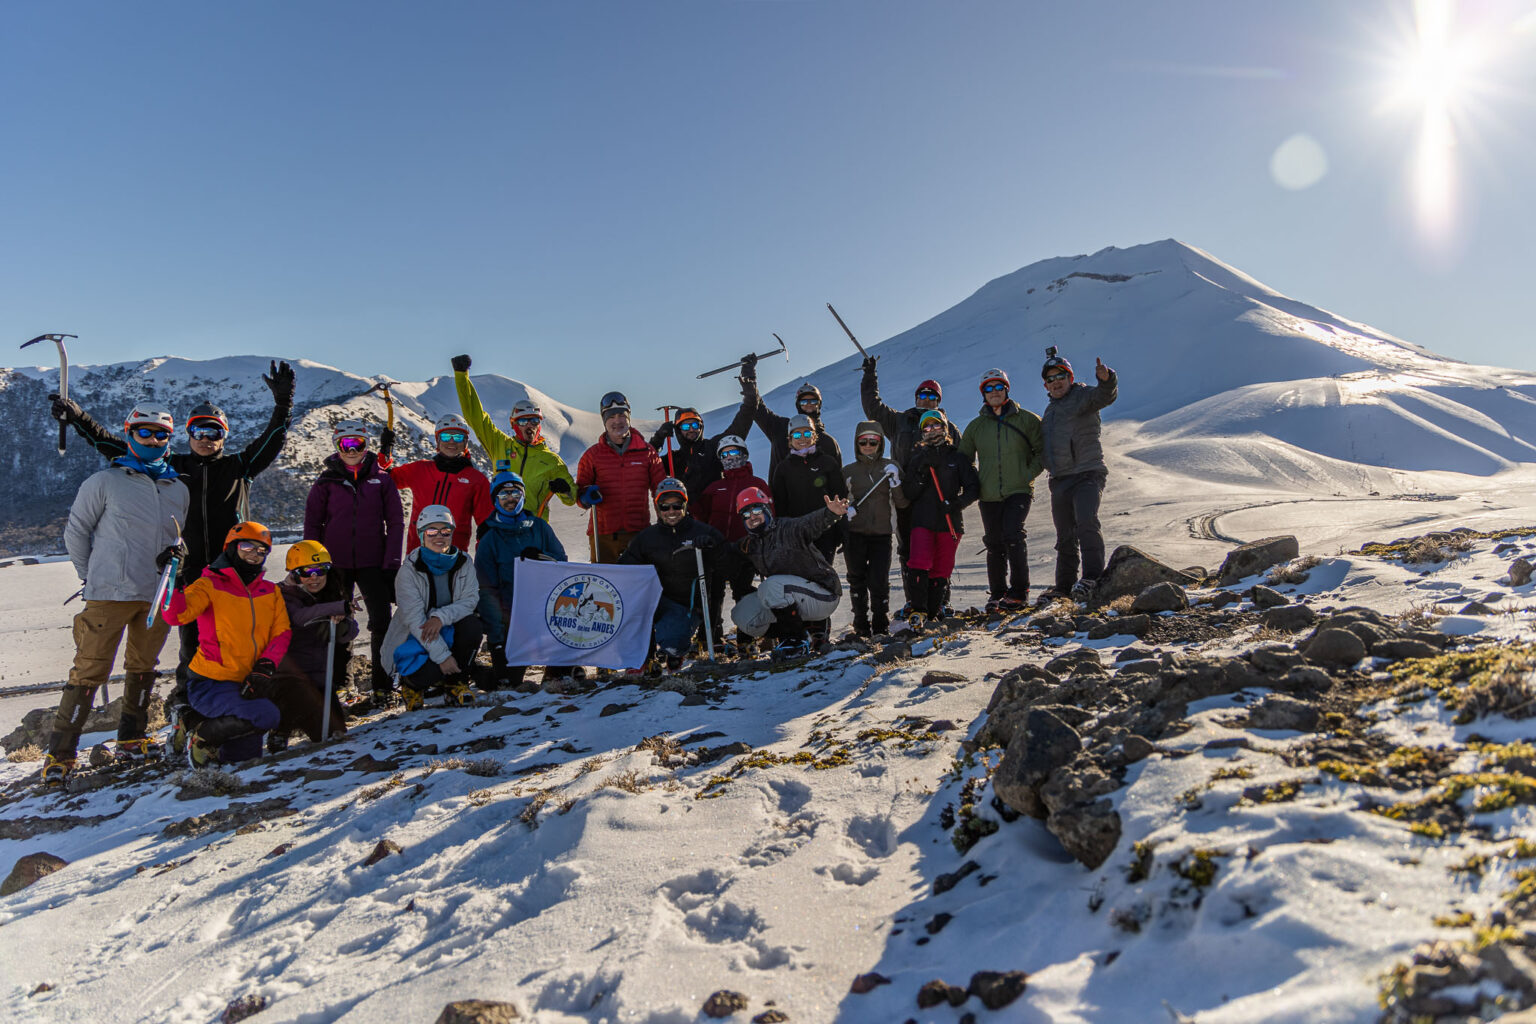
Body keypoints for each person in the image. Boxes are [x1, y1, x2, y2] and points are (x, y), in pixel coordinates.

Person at [51, 362, 295, 736]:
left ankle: (237, 703)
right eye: (199, 429)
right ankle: (186, 709)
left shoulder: (239, 466)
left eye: (214, 431)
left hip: (229, 573)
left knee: (232, 642)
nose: (206, 437)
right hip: (182, 572)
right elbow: (116, 446)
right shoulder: (173, 468)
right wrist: (79, 417)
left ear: (224, 436)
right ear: (188, 432)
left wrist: (283, 403)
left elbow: (273, 439)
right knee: (191, 645)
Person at [41, 405, 191, 788]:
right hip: (109, 593)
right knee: (89, 669)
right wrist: (90, 578)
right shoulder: (105, 481)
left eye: (161, 435)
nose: (154, 440)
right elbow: (76, 532)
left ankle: (132, 738)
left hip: (156, 592)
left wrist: (177, 554)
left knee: (144, 665)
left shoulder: (178, 488)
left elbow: (177, 537)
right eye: (145, 433)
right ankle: (60, 755)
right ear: (129, 434)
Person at [162, 522, 292, 767]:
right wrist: (174, 580)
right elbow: (176, 616)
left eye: (261, 550)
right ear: (232, 548)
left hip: (250, 682)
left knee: (243, 763)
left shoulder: (270, 591)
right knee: (268, 716)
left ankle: (189, 722)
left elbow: (281, 632)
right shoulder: (209, 584)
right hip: (211, 682)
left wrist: (265, 666)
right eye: (247, 547)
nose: (254, 554)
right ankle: (201, 734)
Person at [303, 421, 404, 705]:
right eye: (345, 444)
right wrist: (314, 563)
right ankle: (342, 685)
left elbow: (395, 522)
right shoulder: (325, 482)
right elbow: (312, 524)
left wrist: (392, 561)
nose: (351, 449)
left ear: (366, 445)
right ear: (337, 446)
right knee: (338, 621)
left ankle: (383, 684)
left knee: (381, 622)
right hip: (335, 565)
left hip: (375, 562)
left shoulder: (382, 480)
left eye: (357, 444)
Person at [858, 359, 961, 601]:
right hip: (904, 495)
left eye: (932, 396)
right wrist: (869, 376)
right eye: (922, 394)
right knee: (908, 550)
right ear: (916, 398)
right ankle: (915, 603)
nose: (926, 399)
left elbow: (962, 460)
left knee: (939, 548)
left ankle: (939, 602)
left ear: (939, 401)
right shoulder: (899, 421)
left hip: (936, 497)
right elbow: (873, 408)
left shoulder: (950, 429)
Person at [381, 505, 485, 710]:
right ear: (421, 534)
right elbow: (415, 621)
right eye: (431, 531)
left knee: (473, 625)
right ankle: (411, 686)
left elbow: (470, 601)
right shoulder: (408, 571)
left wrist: (440, 618)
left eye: (445, 531)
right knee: (430, 672)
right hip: (415, 636)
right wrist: (444, 657)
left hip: (447, 628)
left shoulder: (463, 562)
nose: (439, 536)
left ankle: (455, 683)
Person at [451, 353, 576, 521]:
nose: (529, 425)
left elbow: (571, 499)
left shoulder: (552, 461)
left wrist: (565, 490)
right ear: (513, 424)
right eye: (523, 421)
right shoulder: (500, 445)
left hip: (534, 531)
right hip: (501, 528)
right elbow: (475, 416)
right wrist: (461, 376)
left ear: (540, 424)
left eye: (533, 420)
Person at [959, 368, 1044, 612]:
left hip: (1018, 489)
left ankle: (1019, 592)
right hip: (988, 494)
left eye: (998, 387)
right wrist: (975, 482)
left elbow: (1041, 451)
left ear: (1007, 388)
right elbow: (964, 459)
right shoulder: (976, 427)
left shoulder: (1027, 419)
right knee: (994, 542)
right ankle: (997, 594)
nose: (994, 392)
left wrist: (1027, 474)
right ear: (983, 393)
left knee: (1013, 535)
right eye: (988, 388)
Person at [619, 478, 724, 669]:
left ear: (685, 505)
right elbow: (626, 567)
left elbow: (727, 560)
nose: (671, 512)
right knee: (631, 611)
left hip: (687, 605)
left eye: (677, 506)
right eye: (665, 507)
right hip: (656, 601)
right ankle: (643, 658)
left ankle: (675, 649)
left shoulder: (703, 532)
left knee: (672, 639)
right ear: (658, 508)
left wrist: (711, 547)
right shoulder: (647, 537)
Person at [475, 471, 567, 690]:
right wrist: (496, 640)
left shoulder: (540, 528)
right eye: (504, 494)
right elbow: (486, 590)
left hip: (544, 613)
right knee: (506, 683)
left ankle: (558, 668)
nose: (510, 498)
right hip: (511, 622)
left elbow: (562, 565)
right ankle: (477, 672)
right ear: (495, 499)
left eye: (515, 492)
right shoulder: (490, 540)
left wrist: (543, 561)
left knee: (563, 676)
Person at [730, 487, 849, 655]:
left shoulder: (788, 529)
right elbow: (725, 555)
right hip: (791, 596)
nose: (752, 517)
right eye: (746, 515)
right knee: (742, 615)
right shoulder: (750, 544)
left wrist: (831, 513)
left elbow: (810, 524)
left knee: (770, 586)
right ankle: (803, 631)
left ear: (767, 510)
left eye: (756, 510)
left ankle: (796, 640)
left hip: (823, 593)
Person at [1040, 347, 1118, 601]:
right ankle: (1064, 588)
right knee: (1065, 536)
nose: (1056, 382)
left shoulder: (1082, 396)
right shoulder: (1050, 412)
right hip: (1060, 479)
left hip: (1087, 473)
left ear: (1070, 378)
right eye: (1050, 379)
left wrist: (1107, 380)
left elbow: (1103, 396)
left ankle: (1093, 579)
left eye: (1060, 376)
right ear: (1046, 385)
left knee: (1086, 523)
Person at [271, 540, 355, 748]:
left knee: (334, 732)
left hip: (319, 680)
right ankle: (280, 730)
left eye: (321, 570)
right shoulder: (282, 595)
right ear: (294, 573)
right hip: (286, 679)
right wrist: (335, 607)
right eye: (307, 572)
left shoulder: (330, 594)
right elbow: (300, 617)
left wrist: (342, 620)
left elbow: (350, 633)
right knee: (291, 698)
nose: (314, 577)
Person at [901, 410, 979, 631]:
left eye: (936, 426)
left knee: (942, 569)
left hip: (949, 522)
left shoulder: (957, 458)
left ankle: (933, 614)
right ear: (921, 432)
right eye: (927, 427)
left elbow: (973, 488)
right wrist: (921, 475)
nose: (932, 431)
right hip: (922, 521)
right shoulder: (917, 459)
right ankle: (918, 610)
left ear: (945, 429)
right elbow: (909, 493)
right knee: (919, 562)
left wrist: (956, 503)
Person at [696, 435, 769, 656]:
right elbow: (701, 516)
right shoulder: (715, 487)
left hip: (746, 549)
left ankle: (746, 638)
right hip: (717, 550)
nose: (731, 458)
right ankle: (712, 639)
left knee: (744, 593)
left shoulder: (757, 484)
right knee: (713, 594)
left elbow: (769, 515)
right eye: (725, 455)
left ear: (744, 455)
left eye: (735, 453)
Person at [574, 391, 667, 563]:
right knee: (605, 585)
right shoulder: (592, 455)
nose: (617, 421)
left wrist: (665, 520)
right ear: (604, 421)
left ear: (629, 418)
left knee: (638, 584)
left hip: (639, 532)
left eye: (621, 416)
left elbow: (660, 490)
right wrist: (586, 497)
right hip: (603, 535)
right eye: (611, 417)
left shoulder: (646, 453)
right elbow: (579, 494)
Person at [386, 412, 493, 553]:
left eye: (458, 437)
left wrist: (484, 556)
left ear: (466, 442)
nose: (452, 442)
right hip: (417, 553)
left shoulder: (476, 480)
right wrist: (384, 453)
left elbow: (487, 523)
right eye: (446, 436)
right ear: (437, 440)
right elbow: (386, 480)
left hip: (454, 558)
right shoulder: (420, 469)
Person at [842, 421, 908, 638]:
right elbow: (838, 501)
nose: (868, 445)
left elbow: (902, 503)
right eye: (863, 441)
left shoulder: (890, 467)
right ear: (857, 443)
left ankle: (880, 621)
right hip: (855, 534)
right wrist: (846, 510)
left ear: (880, 443)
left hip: (881, 534)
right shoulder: (848, 472)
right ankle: (860, 621)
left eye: (873, 441)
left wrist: (896, 482)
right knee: (856, 578)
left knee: (879, 579)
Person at [740, 353, 842, 479]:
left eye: (813, 401)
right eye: (804, 402)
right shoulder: (780, 428)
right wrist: (749, 377)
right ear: (798, 405)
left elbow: (837, 478)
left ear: (819, 404)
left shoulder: (828, 442)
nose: (809, 405)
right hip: (782, 496)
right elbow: (758, 410)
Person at [770, 413, 848, 564]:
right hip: (796, 534)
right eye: (797, 434)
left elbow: (841, 496)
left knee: (823, 576)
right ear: (790, 439)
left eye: (807, 433)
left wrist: (842, 530)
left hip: (826, 532)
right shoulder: (783, 469)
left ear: (814, 436)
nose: (803, 438)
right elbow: (780, 505)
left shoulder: (828, 463)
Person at [648, 399, 755, 505]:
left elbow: (739, 427)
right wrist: (658, 438)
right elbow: (646, 463)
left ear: (701, 427)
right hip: (686, 516)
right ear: (678, 430)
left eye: (695, 425)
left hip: (715, 511)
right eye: (685, 426)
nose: (691, 430)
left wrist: (750, 396)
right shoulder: (673, 458)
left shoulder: (713, 447)